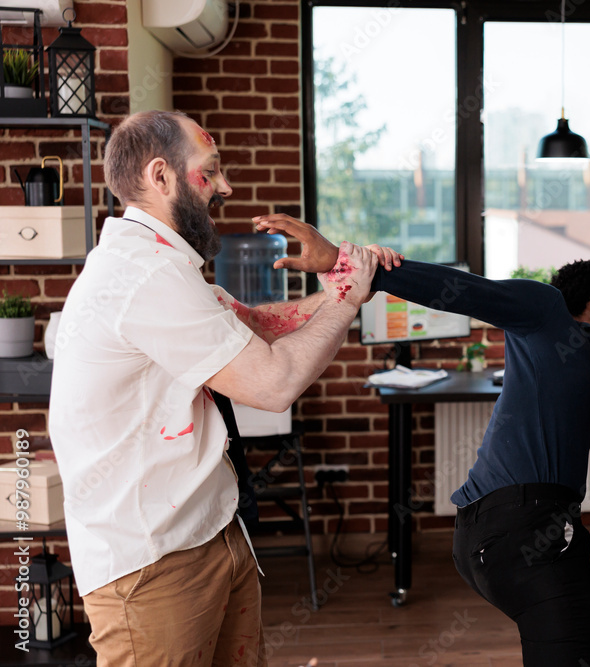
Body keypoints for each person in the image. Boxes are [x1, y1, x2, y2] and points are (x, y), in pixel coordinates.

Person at [252, 215, 590, 666]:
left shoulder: (577, 368)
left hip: (501, 533)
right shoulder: (547, 310)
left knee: (581, 645)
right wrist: (348, 265)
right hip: (520, 529)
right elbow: (466, 292)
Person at [48, 110, 398, 666]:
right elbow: (274, 383)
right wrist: (347, 299)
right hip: (153, 561)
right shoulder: (143, 275)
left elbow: (254, 325)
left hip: (211, 530)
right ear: (160, 176)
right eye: (210, 171)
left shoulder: (162, 263)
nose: (226, 187)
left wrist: (342, 281)